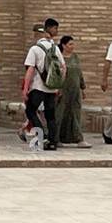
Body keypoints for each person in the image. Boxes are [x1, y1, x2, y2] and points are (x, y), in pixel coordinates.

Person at [22, 18, 64, 151]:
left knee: (30, 110)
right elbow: (63, 67)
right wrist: (58, 86)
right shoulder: (55, 48)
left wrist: (25, 88)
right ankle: (52, 142)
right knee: (50, 115)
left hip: (38, 87)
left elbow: (30, 69)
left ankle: (42, 134)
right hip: (52, 88)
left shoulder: (35, 49)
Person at [55, 35, 89, 147]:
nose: (72, 46)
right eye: (70, 44)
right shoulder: (59, 57)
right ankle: (57, 138)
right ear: (64, 45)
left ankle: (78, 138)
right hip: (63, 89)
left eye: (73, 44)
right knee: (60, 113)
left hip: (75, 90)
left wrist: (83, 88)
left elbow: (79, 73)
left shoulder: (75, 57)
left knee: (75, 113)